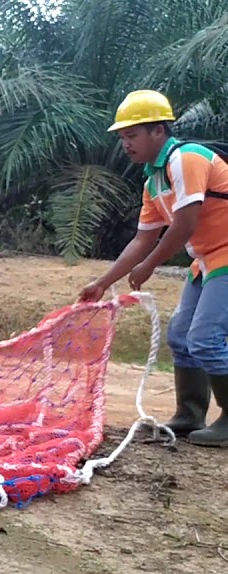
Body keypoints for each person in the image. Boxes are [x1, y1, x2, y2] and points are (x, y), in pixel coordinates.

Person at [78, 89, 228, 447]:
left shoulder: (186, 159)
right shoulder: (153, 181)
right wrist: (102, 283)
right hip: (207, 260)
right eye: (122, 137)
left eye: (132, 135)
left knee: (205, 337)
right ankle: (190, 414)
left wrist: (148, 266)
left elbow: (184, 226)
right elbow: (141, 240)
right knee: (181, 337)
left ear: (159, 131)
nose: (125, 144)